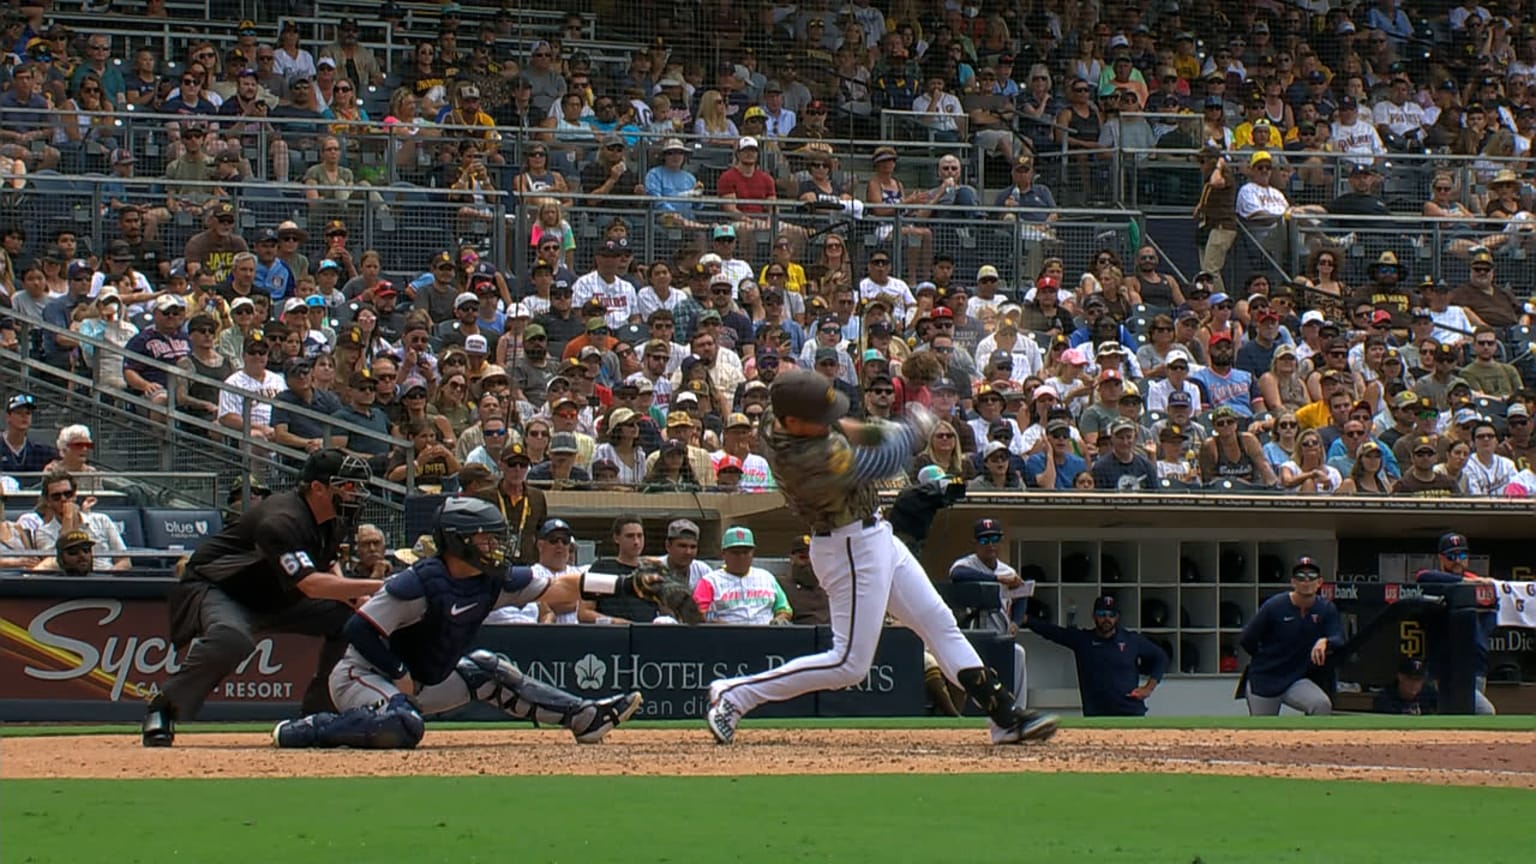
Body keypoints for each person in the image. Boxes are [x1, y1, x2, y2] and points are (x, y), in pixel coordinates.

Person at [704, 370, 1056, 745]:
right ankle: (735, 695)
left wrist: (879, 427)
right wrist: (910, 427)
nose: (826, 422)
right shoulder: (808, 458)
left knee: (938, 621)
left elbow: (846, 426)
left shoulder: (781, 415)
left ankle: (1004, 717)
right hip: (848, 548)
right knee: (849, 664)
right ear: (793, 421)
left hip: (875, 534)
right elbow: (886, 459)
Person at [272, 498, 649, 749]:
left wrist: (626, 584)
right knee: (403, 726)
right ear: (460, 541)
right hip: (363, 676)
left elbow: (560, 586)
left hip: (422, 681)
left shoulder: (491, 579)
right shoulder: (419, 583)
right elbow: (358, 629)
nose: (495, 547)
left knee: (487, 669)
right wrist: (397, 671)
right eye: (487, 539)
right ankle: (310, 729)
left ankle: (584, 716)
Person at [141, 450, 384, 747]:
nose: (355, 494)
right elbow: (310, 584)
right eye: (347, 486)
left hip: (276, 595)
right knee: (232, 638)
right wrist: (380, 586)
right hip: (222, 588)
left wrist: (354, 597)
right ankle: (164, 708)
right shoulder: (281, 519)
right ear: (318, 488)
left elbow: (327, 562)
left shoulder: (334, 517)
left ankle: (320, 714)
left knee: (352, 620)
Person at [1021, 595, 1168, 716]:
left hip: (1130, 712)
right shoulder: (1083, 640)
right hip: (1096, 715)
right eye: (1102, 614)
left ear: (1117, 617)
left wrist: (1148, 688)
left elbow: (1161, 657)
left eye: (1111, 615)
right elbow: (1052, 632)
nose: (1106, 619)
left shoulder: (1131, 640)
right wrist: (1027, 620)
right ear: (1094, 616)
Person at [1238, 556, 1344, 716]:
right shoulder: (1275, 605)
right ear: (1293, 582)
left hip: (1296, 678)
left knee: (1321, 704)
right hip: (1266, 678)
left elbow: (1339, 638)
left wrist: (1325, 641)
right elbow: (1247, 638)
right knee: (1263, 727)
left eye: (1311, 577)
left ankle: (1313, 734)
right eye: (1301, 577)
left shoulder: (1325, 608)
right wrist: (1265, 657)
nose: (1306, 582)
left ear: (1319, 582)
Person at [1415, 532, 1498, 715]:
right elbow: (1422, 576)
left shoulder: (1480, 584)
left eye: (1461, 555)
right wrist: (1467, 582)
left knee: (1465, 723)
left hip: (1477, 667)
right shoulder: (1438, 583)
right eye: (1451, 556)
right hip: (1449, 670)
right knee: (1485, 713)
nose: (1457, 561)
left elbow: (1492, 616)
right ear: (1441, 558)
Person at [693, 526, 792, 625]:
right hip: (724, 632)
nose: (741, 557)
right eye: (735, 553)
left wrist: (780, 618)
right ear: (723, 554)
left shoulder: (767, 577)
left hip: (765, 631)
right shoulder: (710, 581)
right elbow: (696, 614)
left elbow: (784, 609)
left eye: (746, 552)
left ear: (753, 553)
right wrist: (713, 624)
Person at [948, 517, 1027, 627]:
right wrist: (997, 578)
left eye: (995, 539)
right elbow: (956, 574)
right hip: (971, 628)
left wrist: (1016, 622)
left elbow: (1022, 593)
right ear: (975, 543)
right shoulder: (967, 564)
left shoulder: (1008, 571)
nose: (990, 545)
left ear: (1001, 541)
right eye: (984, 540)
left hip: (1000, 628)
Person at [774, 534, 830, 625]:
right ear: (792, 559)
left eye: (813, 558)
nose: (809, 562)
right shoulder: (781, 585)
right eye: (803, 557)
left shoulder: (829, 584)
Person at [1373, 657, 1438, 715]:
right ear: (1400, 677)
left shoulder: (1430, 696)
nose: (1414, 684)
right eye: (1410, 679)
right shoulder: (1386, 698)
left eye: (1418, 680)